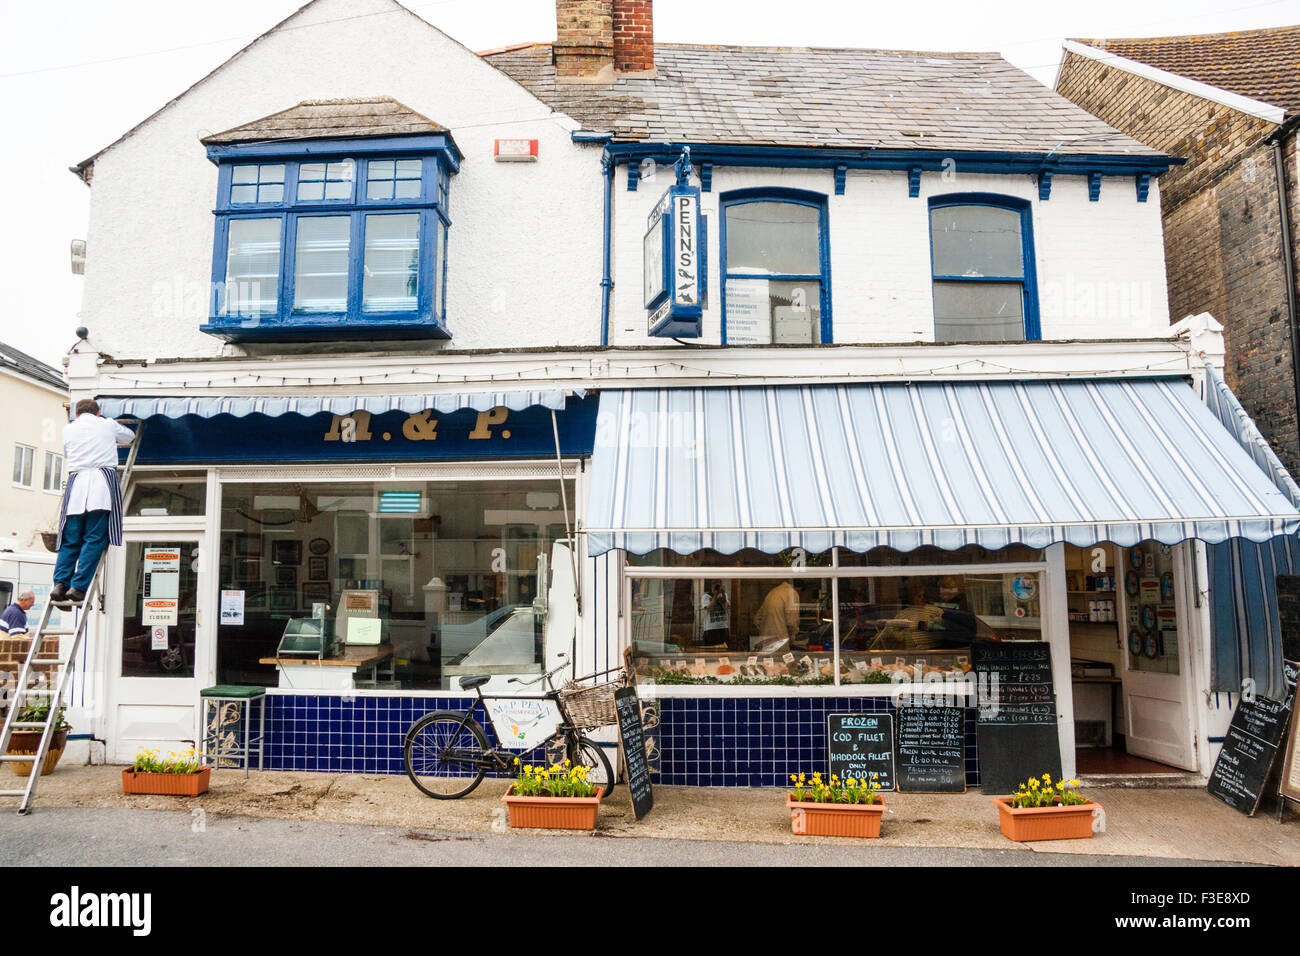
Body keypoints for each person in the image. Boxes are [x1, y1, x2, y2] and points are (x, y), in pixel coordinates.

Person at [51, 399, 136, 607]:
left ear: (77, 415)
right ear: (97, 413)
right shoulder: (106, 424)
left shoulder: (68, 429)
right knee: (94, 538)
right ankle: (78, 587)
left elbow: (68, 453)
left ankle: (60, 584)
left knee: (70, 540)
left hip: (76, 486)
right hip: (100, 485)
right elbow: (130, 436)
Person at [752, 580, 800, 651]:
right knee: (780, 661)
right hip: (780, 642)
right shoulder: (791, 593)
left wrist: (766, 631)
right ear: (799, 588)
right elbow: (792, 621)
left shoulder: (772, 592)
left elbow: (757, 619)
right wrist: (793, 634)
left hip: (765, 642)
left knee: (768, 661)